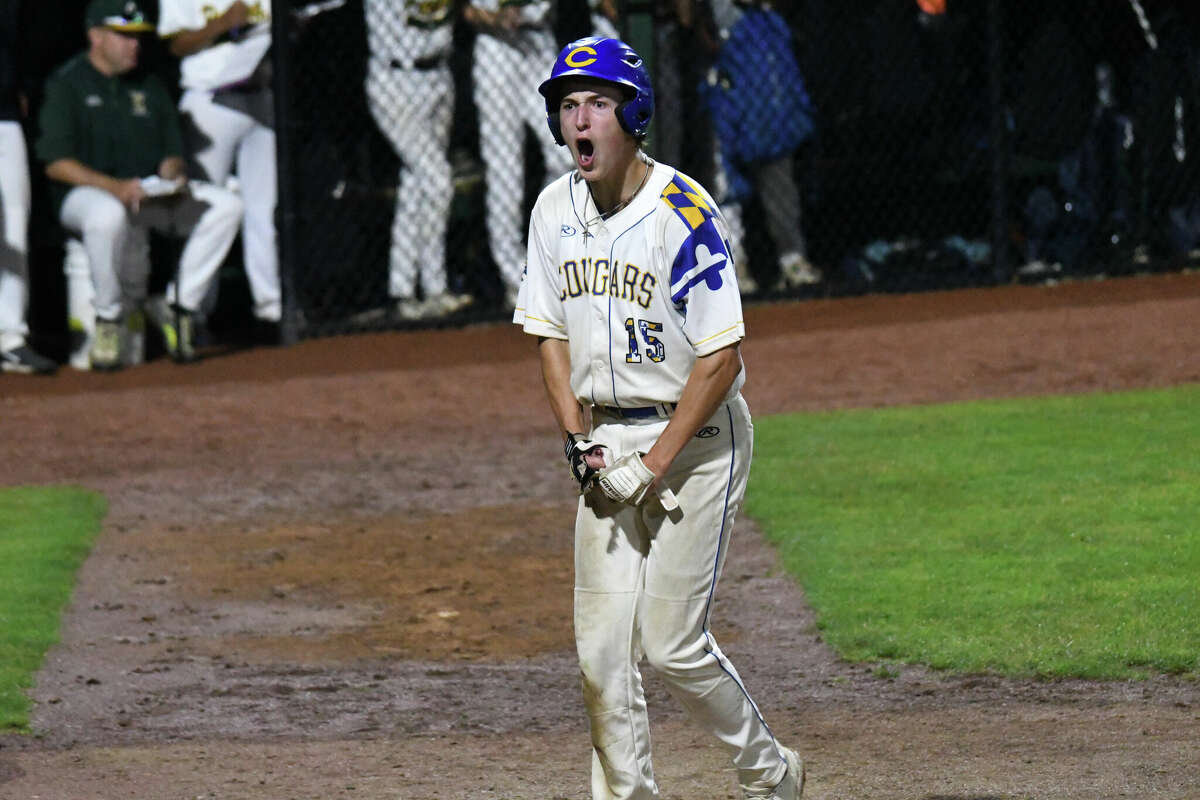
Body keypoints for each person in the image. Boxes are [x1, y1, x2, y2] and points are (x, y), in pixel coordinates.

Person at [519, 37, 805, 800]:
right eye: (568, 105)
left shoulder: (681, 213)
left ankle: (770, 774)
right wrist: (581, 441)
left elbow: (722, 359)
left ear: (633, 114)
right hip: (609, 443)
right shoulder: (554, 209)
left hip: (700, 443)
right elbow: (548, 333)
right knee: (602, 656)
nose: (579, 120)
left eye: (598, 104)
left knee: (671, 644)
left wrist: (652, 467)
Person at [36, 0, 243, 369]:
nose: (135, 45)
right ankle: (108, 319)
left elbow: (170, 156)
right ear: (95, 37)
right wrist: (115, 188)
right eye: (124, 36)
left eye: (138, 38)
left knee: (226, 206)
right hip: (84, 200)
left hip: (144, 197)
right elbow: (56, 164)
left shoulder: (150, 86)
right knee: (107, 215)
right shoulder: (67, 83)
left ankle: (180, 306)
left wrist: (173, 177)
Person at [156, 0, 284, 339]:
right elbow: (175, 45)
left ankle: (271, 309)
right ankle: (192, 312)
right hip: (209, 99)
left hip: (261, 94)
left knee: (265, 210)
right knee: (205, 210)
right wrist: (223, 24)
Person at [699, 0, 821, 291]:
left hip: (768, 87)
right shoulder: (721, 13)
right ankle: (732, 263)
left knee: (779, 172)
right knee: (724, 180)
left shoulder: (770, 19)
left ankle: (792, 258)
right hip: (728, 86)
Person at [363, 0, 473, 321]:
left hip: (439, 74)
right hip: (394, 77)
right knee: (437, 179)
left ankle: (404, 290)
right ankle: (435, 287)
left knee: (416, 181)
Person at [464, 0, 575, 310]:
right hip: (496, 47)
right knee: (505, 169)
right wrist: (496, 17)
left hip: (539, 43)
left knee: (566, 157)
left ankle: (552, 261)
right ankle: (518, 280)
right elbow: (467, 11)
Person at [0, 0, 56, 374]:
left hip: (3, 110)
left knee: (15, 219)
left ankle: (10, 336)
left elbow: (21, 39)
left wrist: (21, 83)